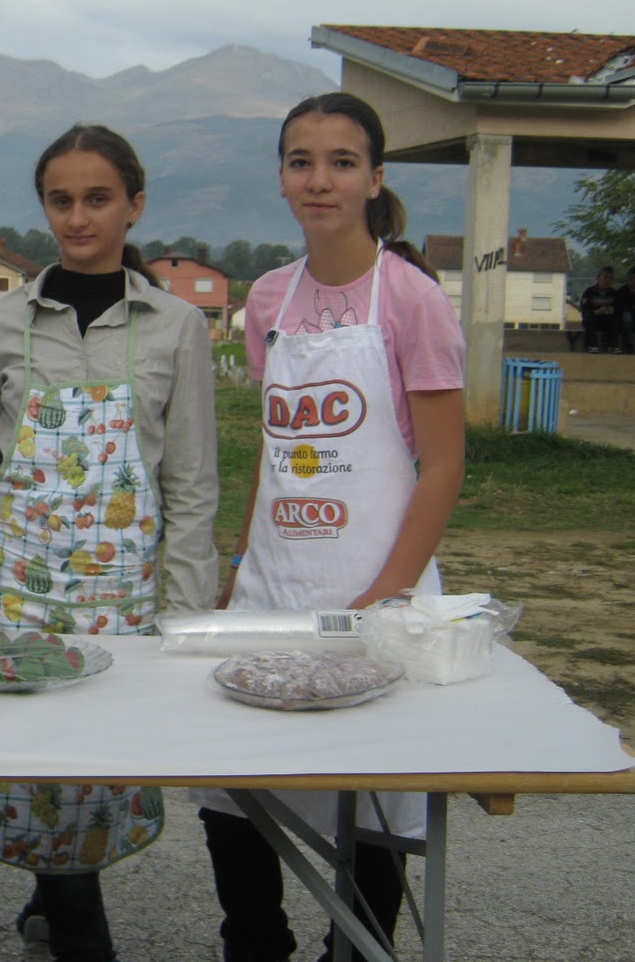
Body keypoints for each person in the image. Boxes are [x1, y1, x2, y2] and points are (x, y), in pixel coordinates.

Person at [199, 92, 466, 962]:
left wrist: (384, 595)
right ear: (280, 178)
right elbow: (279, 448)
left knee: (373, 791)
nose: (321, 180)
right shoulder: (269, 296)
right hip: (274, 584)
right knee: (235, 784)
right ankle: (255, 943)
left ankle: (352, 951)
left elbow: (443, 464)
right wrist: (240, 562)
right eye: (301, 161)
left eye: (342, 162)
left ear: (374, 179)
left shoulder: (413, 299)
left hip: (375, 584)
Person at [0, 124, 219, 962]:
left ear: (134, 207)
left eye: (98, 199)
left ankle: (63, 899)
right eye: (61, 200)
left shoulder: (178, 327)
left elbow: (190, 480)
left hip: (122, 595)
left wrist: (185, 612)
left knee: (98, 765)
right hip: (22, 585)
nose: (79, 217)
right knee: (34, 759)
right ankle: (76, 921)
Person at [579, 266, 620, 353]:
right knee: (588, 321)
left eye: (611, 278)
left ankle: (613, 346)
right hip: (594, 319)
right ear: (598, 277)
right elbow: (584, 309)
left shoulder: (614, 294)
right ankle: (592, 345)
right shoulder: (589, 292)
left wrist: (612, 310)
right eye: (605, 277)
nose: (607, 281)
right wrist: (596, 312)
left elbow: (620, 308)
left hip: (608, 320)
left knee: (615, 321)